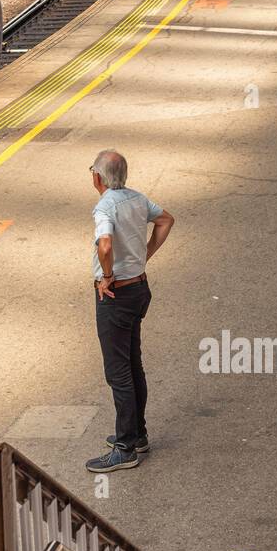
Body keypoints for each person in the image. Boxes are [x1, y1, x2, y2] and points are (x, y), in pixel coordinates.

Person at [84, 149, 174, 473]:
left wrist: (107, 276)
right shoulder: (138, 198)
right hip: (139, 289)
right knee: (133, 363)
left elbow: (104, 245)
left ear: (98, 177)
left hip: (116, 294)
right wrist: (144, 254)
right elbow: (166, 219)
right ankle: (138, 435)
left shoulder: (104, 207)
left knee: (118, 371)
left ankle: (125, 448)